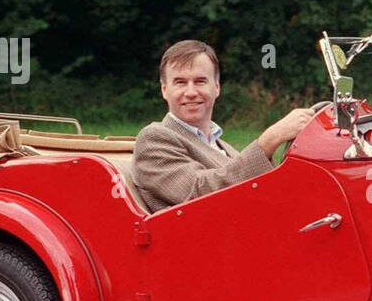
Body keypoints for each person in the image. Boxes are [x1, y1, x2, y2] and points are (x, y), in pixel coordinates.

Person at [133, 39, 314, 212]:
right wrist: (270, 139)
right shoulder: (154, 138)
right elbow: (200, 191)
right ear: (164, 90)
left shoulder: (222, 146)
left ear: (217, 87)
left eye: (200, 81)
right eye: (180, 82)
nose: (190, 92)